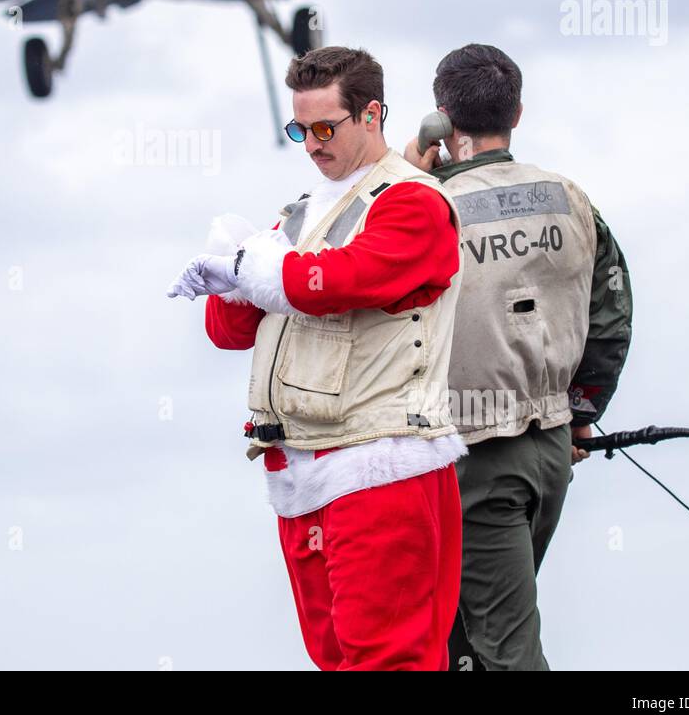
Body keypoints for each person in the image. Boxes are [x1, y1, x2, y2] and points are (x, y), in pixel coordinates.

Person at [168, 46, 466, 670]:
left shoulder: (412, 202)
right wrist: (236, 272)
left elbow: (334, 282)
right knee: (337, 658)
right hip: (304, 470)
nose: (310, 144)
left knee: (389, 660)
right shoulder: (303, 215)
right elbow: (229, 328)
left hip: (381, 465)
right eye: (299, 129)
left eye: (325, 128)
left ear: (372, 116)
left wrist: (252, 267)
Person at [403, 43, 633, 671]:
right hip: (551, 449)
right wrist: (581, 413)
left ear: (443, 122)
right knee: (465, 642)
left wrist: (408, 178)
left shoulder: (424, 208)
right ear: (518, 112)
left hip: (474, 456)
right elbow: (611, 314)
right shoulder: (569, 198)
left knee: (503, 648)